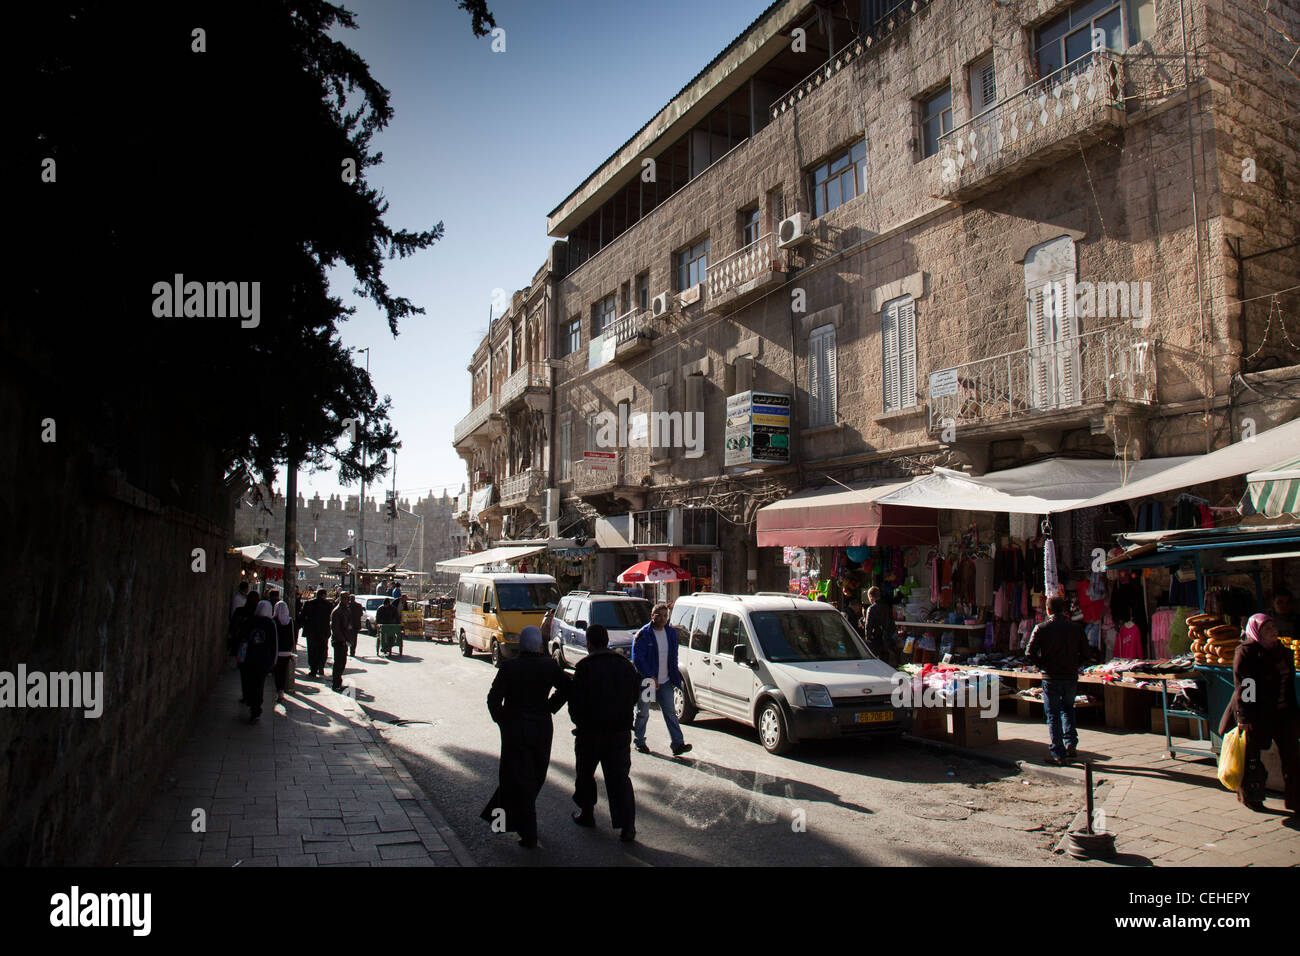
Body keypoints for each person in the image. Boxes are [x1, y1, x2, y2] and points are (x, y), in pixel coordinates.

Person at [480, 626, 570, 848]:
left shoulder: (510, 667)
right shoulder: (549, 666)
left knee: (515, 778)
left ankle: (525, 829)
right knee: (534, 776)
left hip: (515, 729)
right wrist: (550, 707)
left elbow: (493, 699)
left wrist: (502, 720)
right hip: (541, 728)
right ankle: (517, 823)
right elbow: (568, 687)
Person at [1218, 613, 1300, 813]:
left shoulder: (1283, 652)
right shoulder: (1247, 652)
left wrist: (1295, 714)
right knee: (1251, 759)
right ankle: (1252, 797)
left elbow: (1289, 686)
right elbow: (1246, 686)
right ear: (1256, 632)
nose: (1273, 632)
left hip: (1283, 712)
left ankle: (1296, 801)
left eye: (1273, 628)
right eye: (1267, 629)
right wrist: (1244, 717)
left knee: (1293, 757)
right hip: (1257, 713)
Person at [568, 623, 642, 843]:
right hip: (618, 732)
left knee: (585, 774)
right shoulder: (624, 666)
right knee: (619, 778)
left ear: (589, 643)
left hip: (590, 732)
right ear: (607, 640)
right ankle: (627, 826)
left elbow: (575, 701)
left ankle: (587, 813)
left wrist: (579, 721)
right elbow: (635, 692)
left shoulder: (584, 667)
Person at [1024, 594, 1095, 765]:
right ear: (1063, 609)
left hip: (1051, 676)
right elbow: (1087, 654)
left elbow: (1029, 654)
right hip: (1070, 676)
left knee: (1053, 713)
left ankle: (1058, 751)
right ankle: (1070, 744)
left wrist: (1042, 665)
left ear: (1048, 610)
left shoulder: (1041, 628)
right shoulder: (1076, 629)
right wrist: (1074, 665)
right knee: (1068, 709)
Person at [632, 603, 691, 756]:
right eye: (661, 616)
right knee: (643, 712)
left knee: (670, 713)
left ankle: (678, 744)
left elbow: (674, 655)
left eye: (666, 616)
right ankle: (639, 741)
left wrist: (674, 677)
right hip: (648, 682)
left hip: (665, 681)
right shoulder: (643, 634)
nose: (664, 619)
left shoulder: (671, 633)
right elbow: (638, 658)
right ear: (653, 616)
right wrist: (650, 676)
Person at [237, 600, 278, 724]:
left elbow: (241, 638)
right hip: (263, 661)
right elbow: (274, 644)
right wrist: (273, 661)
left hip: (249, 659)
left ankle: (251, 703)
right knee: (259, 684)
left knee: (249, 682)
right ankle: (256, 707)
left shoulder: (249, 621)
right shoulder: (270, 624)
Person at [300, 588, 333, 678]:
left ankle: (313, 668)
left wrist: (306, 625)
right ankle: (321, 666)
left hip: (311, 632)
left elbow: (302, 617)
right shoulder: (328, 605)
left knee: (312, 650)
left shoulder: (308, 603)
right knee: (322, 650)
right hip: (323, 631)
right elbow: (331, 619)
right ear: (323, 595)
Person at [330, 592, 360, 692]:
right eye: (346, 598)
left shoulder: (346, 609)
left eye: (348, 598)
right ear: (341, 598)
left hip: (345, 640)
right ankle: (336, 684)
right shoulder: (337, 611)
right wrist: (343, 639)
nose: (347, 600)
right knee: (338, 663)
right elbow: (336, 628)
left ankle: (338, 682)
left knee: (342, 663)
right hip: (339, 641)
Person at [271, 600, 296, 703]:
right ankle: (281, 691)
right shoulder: (290, 621)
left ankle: (278, 690)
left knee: (277, 672)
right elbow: (294, 636)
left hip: (276, 651)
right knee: (283, 671)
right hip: (287, 652)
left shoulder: (274, 621)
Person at [863, 586, 893, 664]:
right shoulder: (887, 607)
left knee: (875, 660)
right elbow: (891, 622)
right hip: (886, 637)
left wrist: (867, 638)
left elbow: (868, 625)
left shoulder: (871, 608)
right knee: (885, 660)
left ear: (871, 597)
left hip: (875, 637)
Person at [229, 588, 259, 659]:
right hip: (251, 648)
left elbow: (233, 626)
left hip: (238, 644)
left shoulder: (239, 611)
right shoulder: (258, 616)